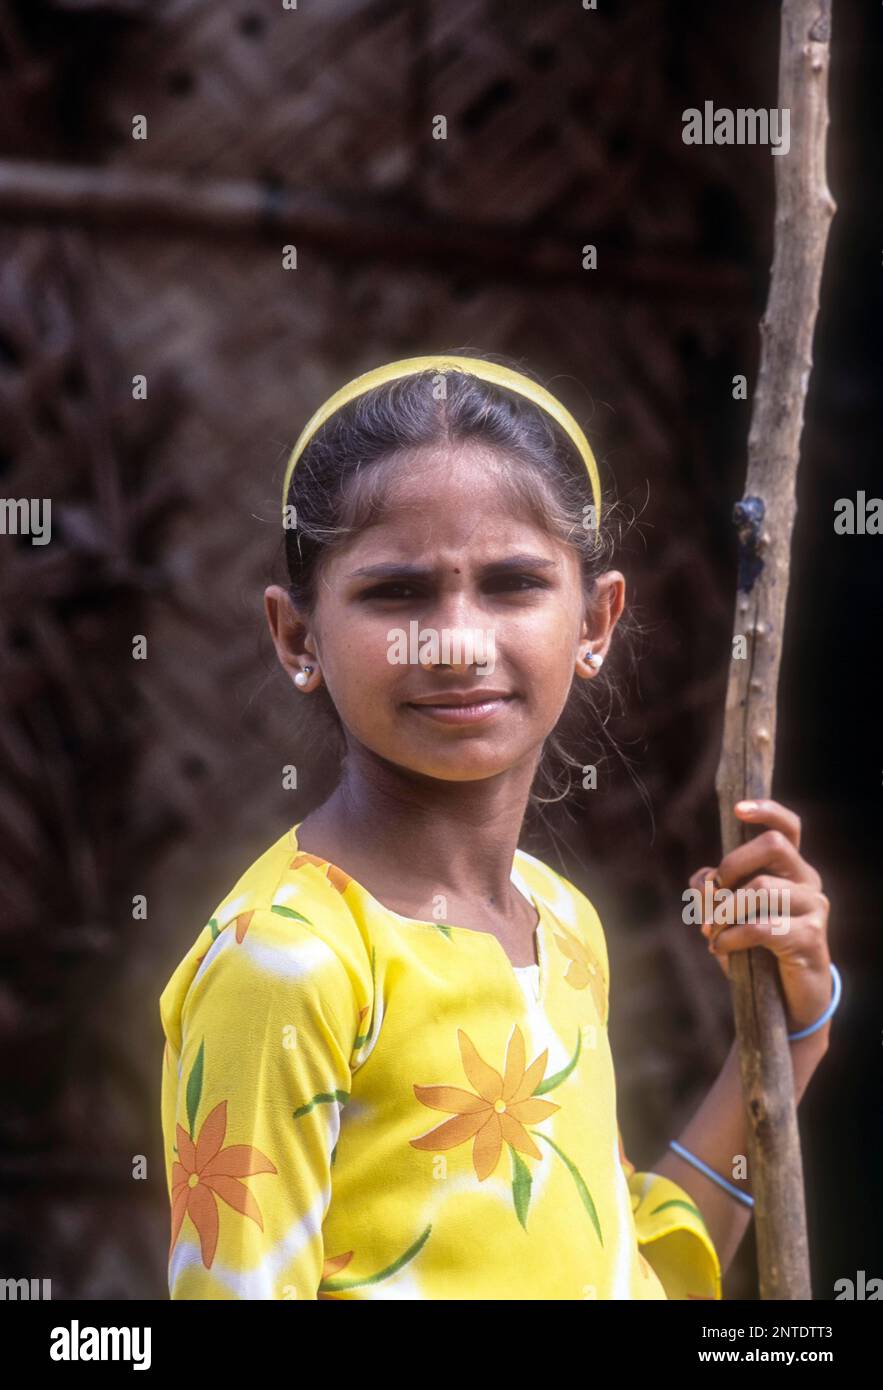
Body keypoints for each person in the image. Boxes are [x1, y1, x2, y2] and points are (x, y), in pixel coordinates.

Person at [159, 351, 835, 1299]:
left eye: (514, 583)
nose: (458, 641)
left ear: (595, 622)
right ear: (297, 636)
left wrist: (792, 1032)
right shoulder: (285, 963)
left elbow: (624, 1270)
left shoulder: (559, 928)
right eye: (396, 593)